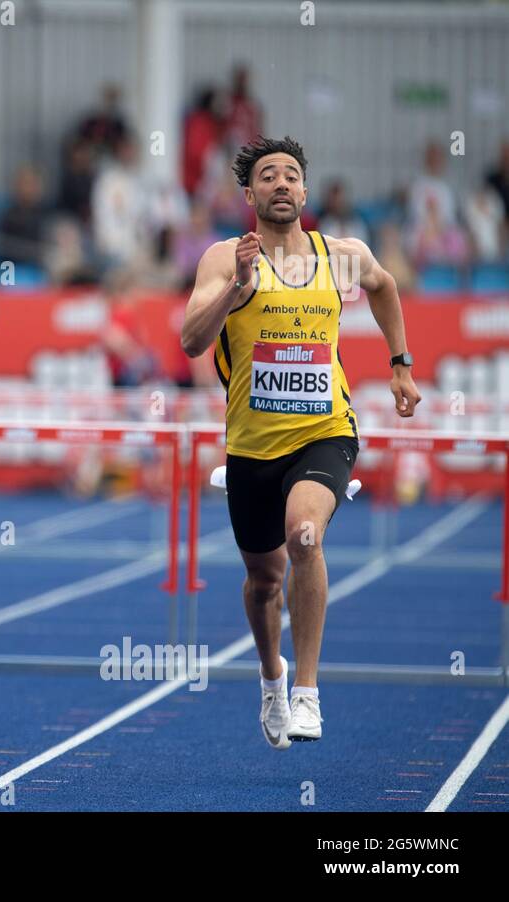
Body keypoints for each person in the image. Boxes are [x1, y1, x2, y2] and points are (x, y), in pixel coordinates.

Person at [181, 136, 421, 748]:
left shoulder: (340, 256)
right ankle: (273, 678)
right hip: (252, 446)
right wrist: (236, 289)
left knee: (304, 535)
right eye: (268, 176)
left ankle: (308, 693)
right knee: (264, 582)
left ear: (305, 190)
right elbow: (190, 342)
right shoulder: (224, 259)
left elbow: (385, 286)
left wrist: (400, 364)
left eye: (291, 174)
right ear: (250, 194)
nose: (281, 183)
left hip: (325, 431)